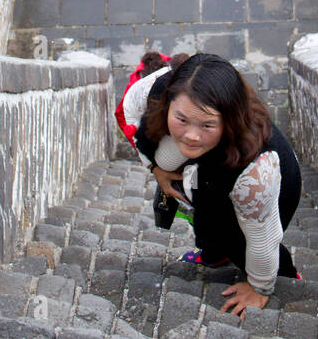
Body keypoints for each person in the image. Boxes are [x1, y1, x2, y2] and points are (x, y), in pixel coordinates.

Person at [122, 53, 304, 319]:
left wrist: (259, 288)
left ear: (228, 119)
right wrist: (157, 169)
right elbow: (130, 114)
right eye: (181, 119)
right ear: (168, 102)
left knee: (237, 232)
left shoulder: (255, 173)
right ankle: (213, 253)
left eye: (207, 124)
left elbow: (263, 238)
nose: (192, 135)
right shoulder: (155, 90)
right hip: (213, 164)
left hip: (271, 189)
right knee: (197, 198)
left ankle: (283, 277)